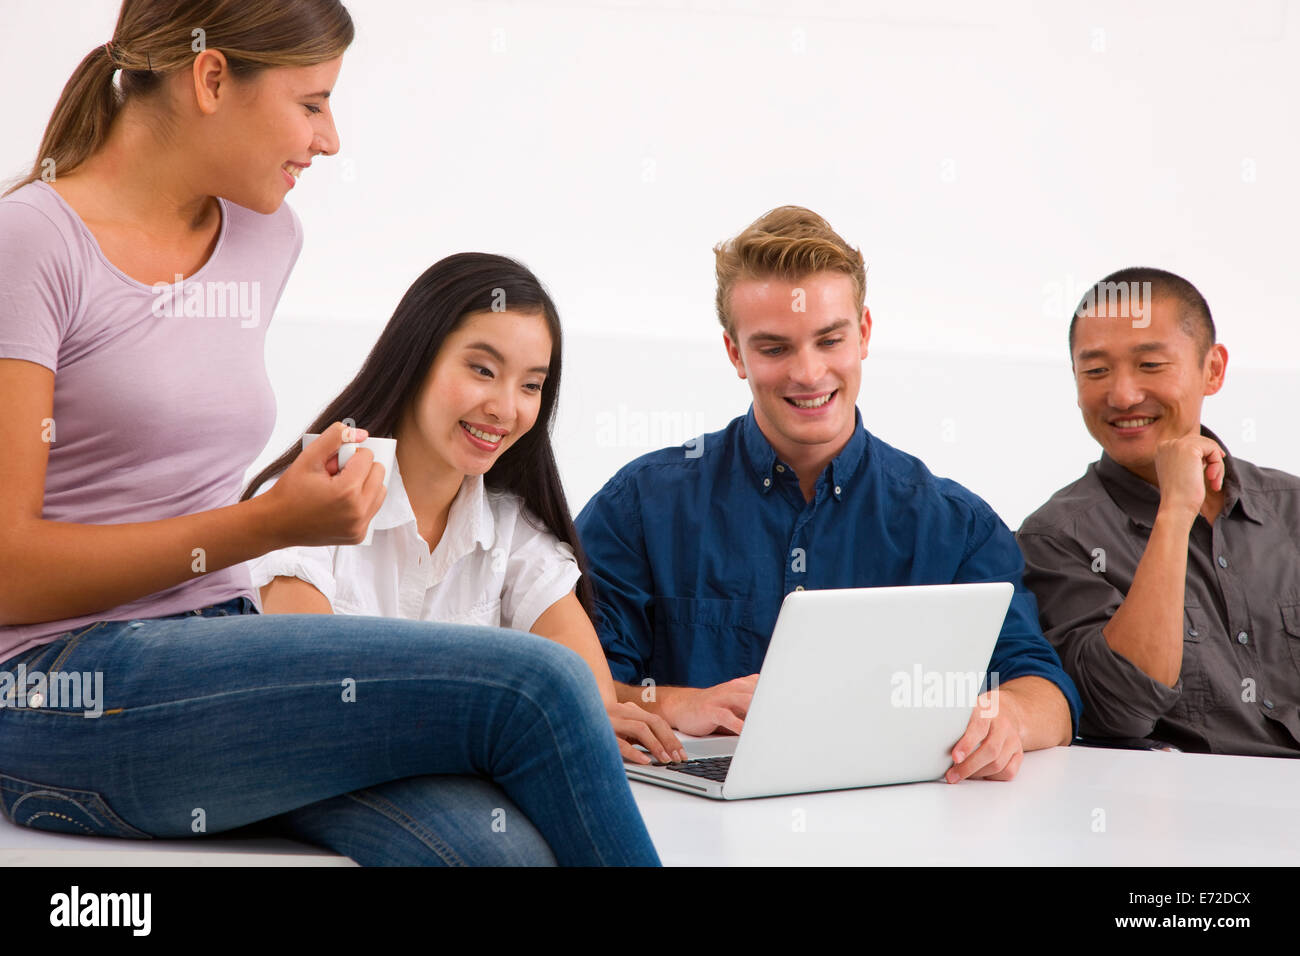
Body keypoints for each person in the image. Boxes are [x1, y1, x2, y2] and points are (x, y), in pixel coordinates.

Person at [0, 0, 659, 866]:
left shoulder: (264, 237)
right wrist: (270, 524)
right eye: (311, 103)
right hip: (62, 691)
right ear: (210, 78)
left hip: (225, 652)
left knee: (497, 854)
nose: (330, 137)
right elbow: (8, 574)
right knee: (534, 687)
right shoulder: (31, 243)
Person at [575, 205, 1081, 783]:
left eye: (828, 339)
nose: (808, 374)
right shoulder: (640, 507)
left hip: (898, 829)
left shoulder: (954, 523)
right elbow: (569, 684)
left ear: (863, 333)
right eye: (774, 348)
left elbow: (1047, 692)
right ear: (735, 354)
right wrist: (674, 702)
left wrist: (1008, 713)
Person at [242, 252, 685, 769]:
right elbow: (318, 691)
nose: (505, 407)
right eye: (482, 370)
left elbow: (582, 689)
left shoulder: (511, 528)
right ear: (416, 357)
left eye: (530, 385)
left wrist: (606, 715)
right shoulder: (309, 502)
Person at [1017, 267, 1300, 756]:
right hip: (1194, 817)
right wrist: (1174, 512)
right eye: (1096, 371)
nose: (1122, 395)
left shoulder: (1290, 507)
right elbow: (1120, 708)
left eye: (1150, 365)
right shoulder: (1057, 538)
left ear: (1213, 369)